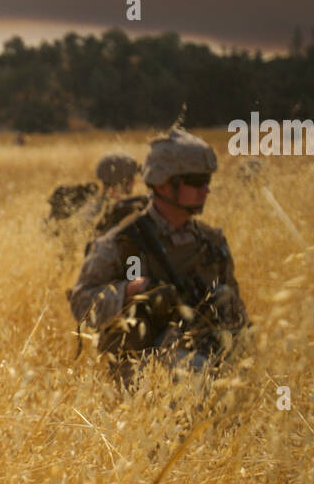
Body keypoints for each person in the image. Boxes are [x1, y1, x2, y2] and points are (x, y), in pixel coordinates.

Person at [68, 130, 248, 384]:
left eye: (207, 180)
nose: (206, 190)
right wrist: (128, 291)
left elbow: (237, 312)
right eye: (196, 181)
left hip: (210, 359)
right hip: (144, 368)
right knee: (195, 370)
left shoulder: (211, 242)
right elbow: (81, 305)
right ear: (164, 183)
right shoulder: (122, 243)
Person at [88, 152, 148, 235]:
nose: (134, 181)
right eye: (130, 177)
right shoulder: (105, 212)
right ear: (121, 180)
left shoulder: (97, 206)